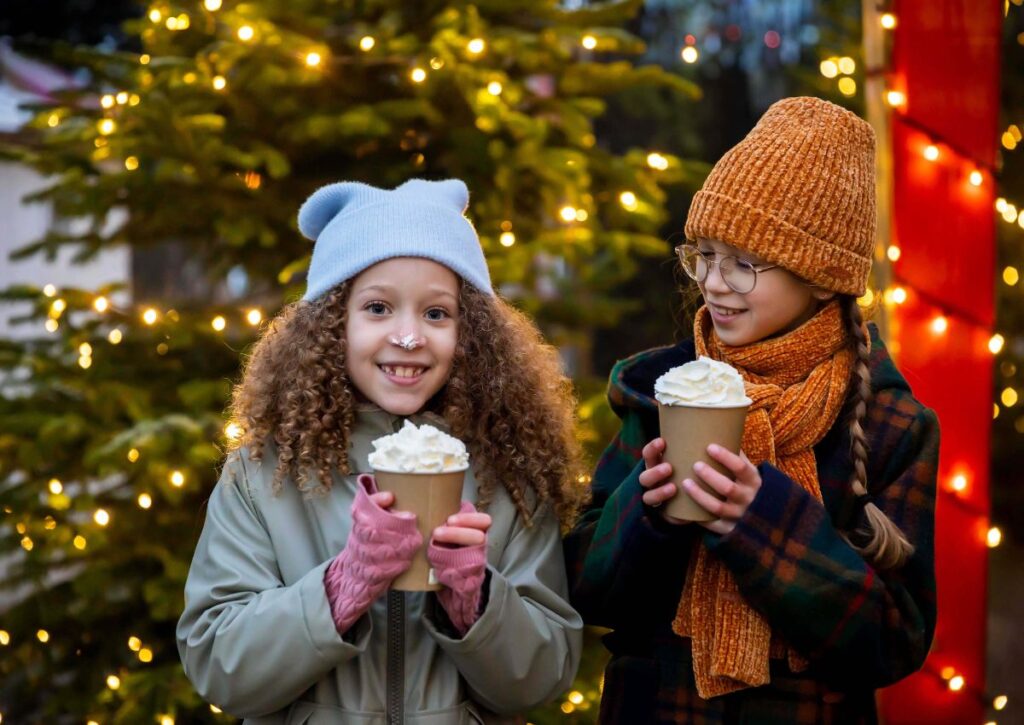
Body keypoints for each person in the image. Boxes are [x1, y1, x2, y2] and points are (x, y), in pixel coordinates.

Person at [565, 97, 940, 723]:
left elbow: (894, 641)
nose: (714, 282)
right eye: (705, 255)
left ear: (821, 278)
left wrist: (762, 519)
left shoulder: (889, 426)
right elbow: (584, 588)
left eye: (743, 264)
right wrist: (647, 510)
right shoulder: (660, 390)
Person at [177, 179, 584, 724]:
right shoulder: (262, 473)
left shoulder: (509, 473)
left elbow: (542, 680)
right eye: (378, 308)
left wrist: (478, 602)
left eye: (436, 313)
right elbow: (218, 666)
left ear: (473, 334)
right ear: (331, 325)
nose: (409, 337)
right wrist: (342, 586)